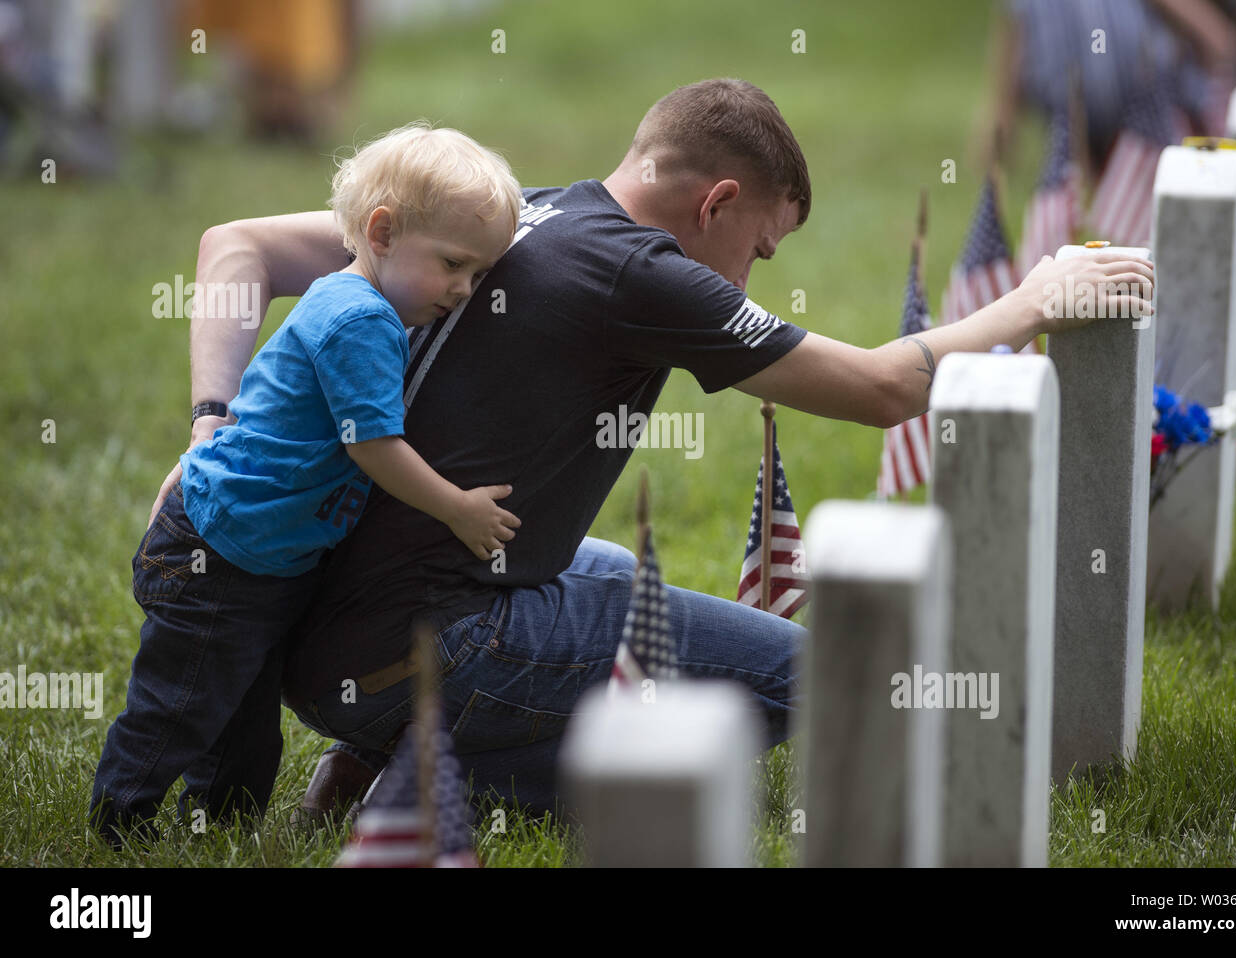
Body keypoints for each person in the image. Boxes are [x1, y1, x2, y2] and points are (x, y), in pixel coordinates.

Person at [154, 77, 1153, 822]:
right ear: (716, 202)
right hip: (421, 639)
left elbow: (231, 243)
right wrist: (1032, 299)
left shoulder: (510, 212)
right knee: (802, 677)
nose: (751, 281)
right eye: (759, 248)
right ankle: (422, 776)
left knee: (622, 576)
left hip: (329, 628)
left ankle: (384, 753)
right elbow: (883, 387)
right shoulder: (644, 274)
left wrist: (211, 421)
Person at [90, 123, 522, 843]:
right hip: (219, 554)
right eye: (453, 264)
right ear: (381, 231)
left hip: (263, 556)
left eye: (478, 275)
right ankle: (117, 825)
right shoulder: (358, 320)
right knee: (183, 701)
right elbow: (375, 447)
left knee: (246, 714)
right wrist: (457, 508)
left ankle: (222, 828)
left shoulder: (367, 304)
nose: (463, 290)